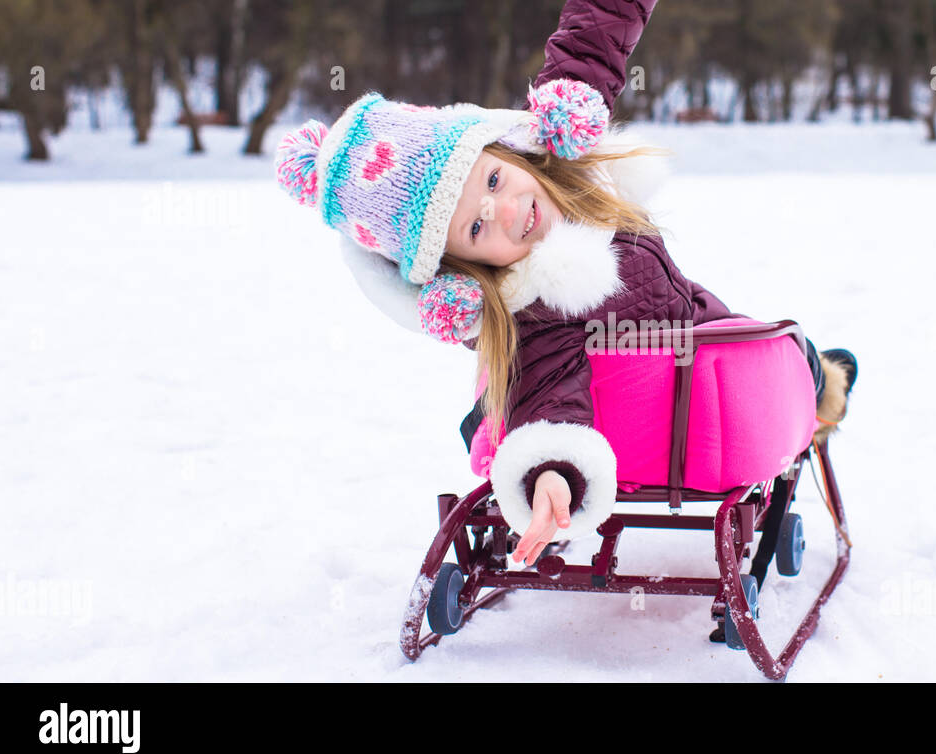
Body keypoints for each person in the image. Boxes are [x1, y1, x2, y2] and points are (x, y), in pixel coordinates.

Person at [274, 0, 856, 568]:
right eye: (475, 227)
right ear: (466, 271)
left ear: (510, 147)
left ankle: (816, 377)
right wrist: (552, 471)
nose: (506, 211)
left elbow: (590, 42)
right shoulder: (532, 310)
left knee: (767, 339)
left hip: (704, 333)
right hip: (704, 405)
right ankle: (819, 387)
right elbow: (549, 398)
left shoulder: (566, 150)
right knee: (788, 351)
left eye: (495, 179)